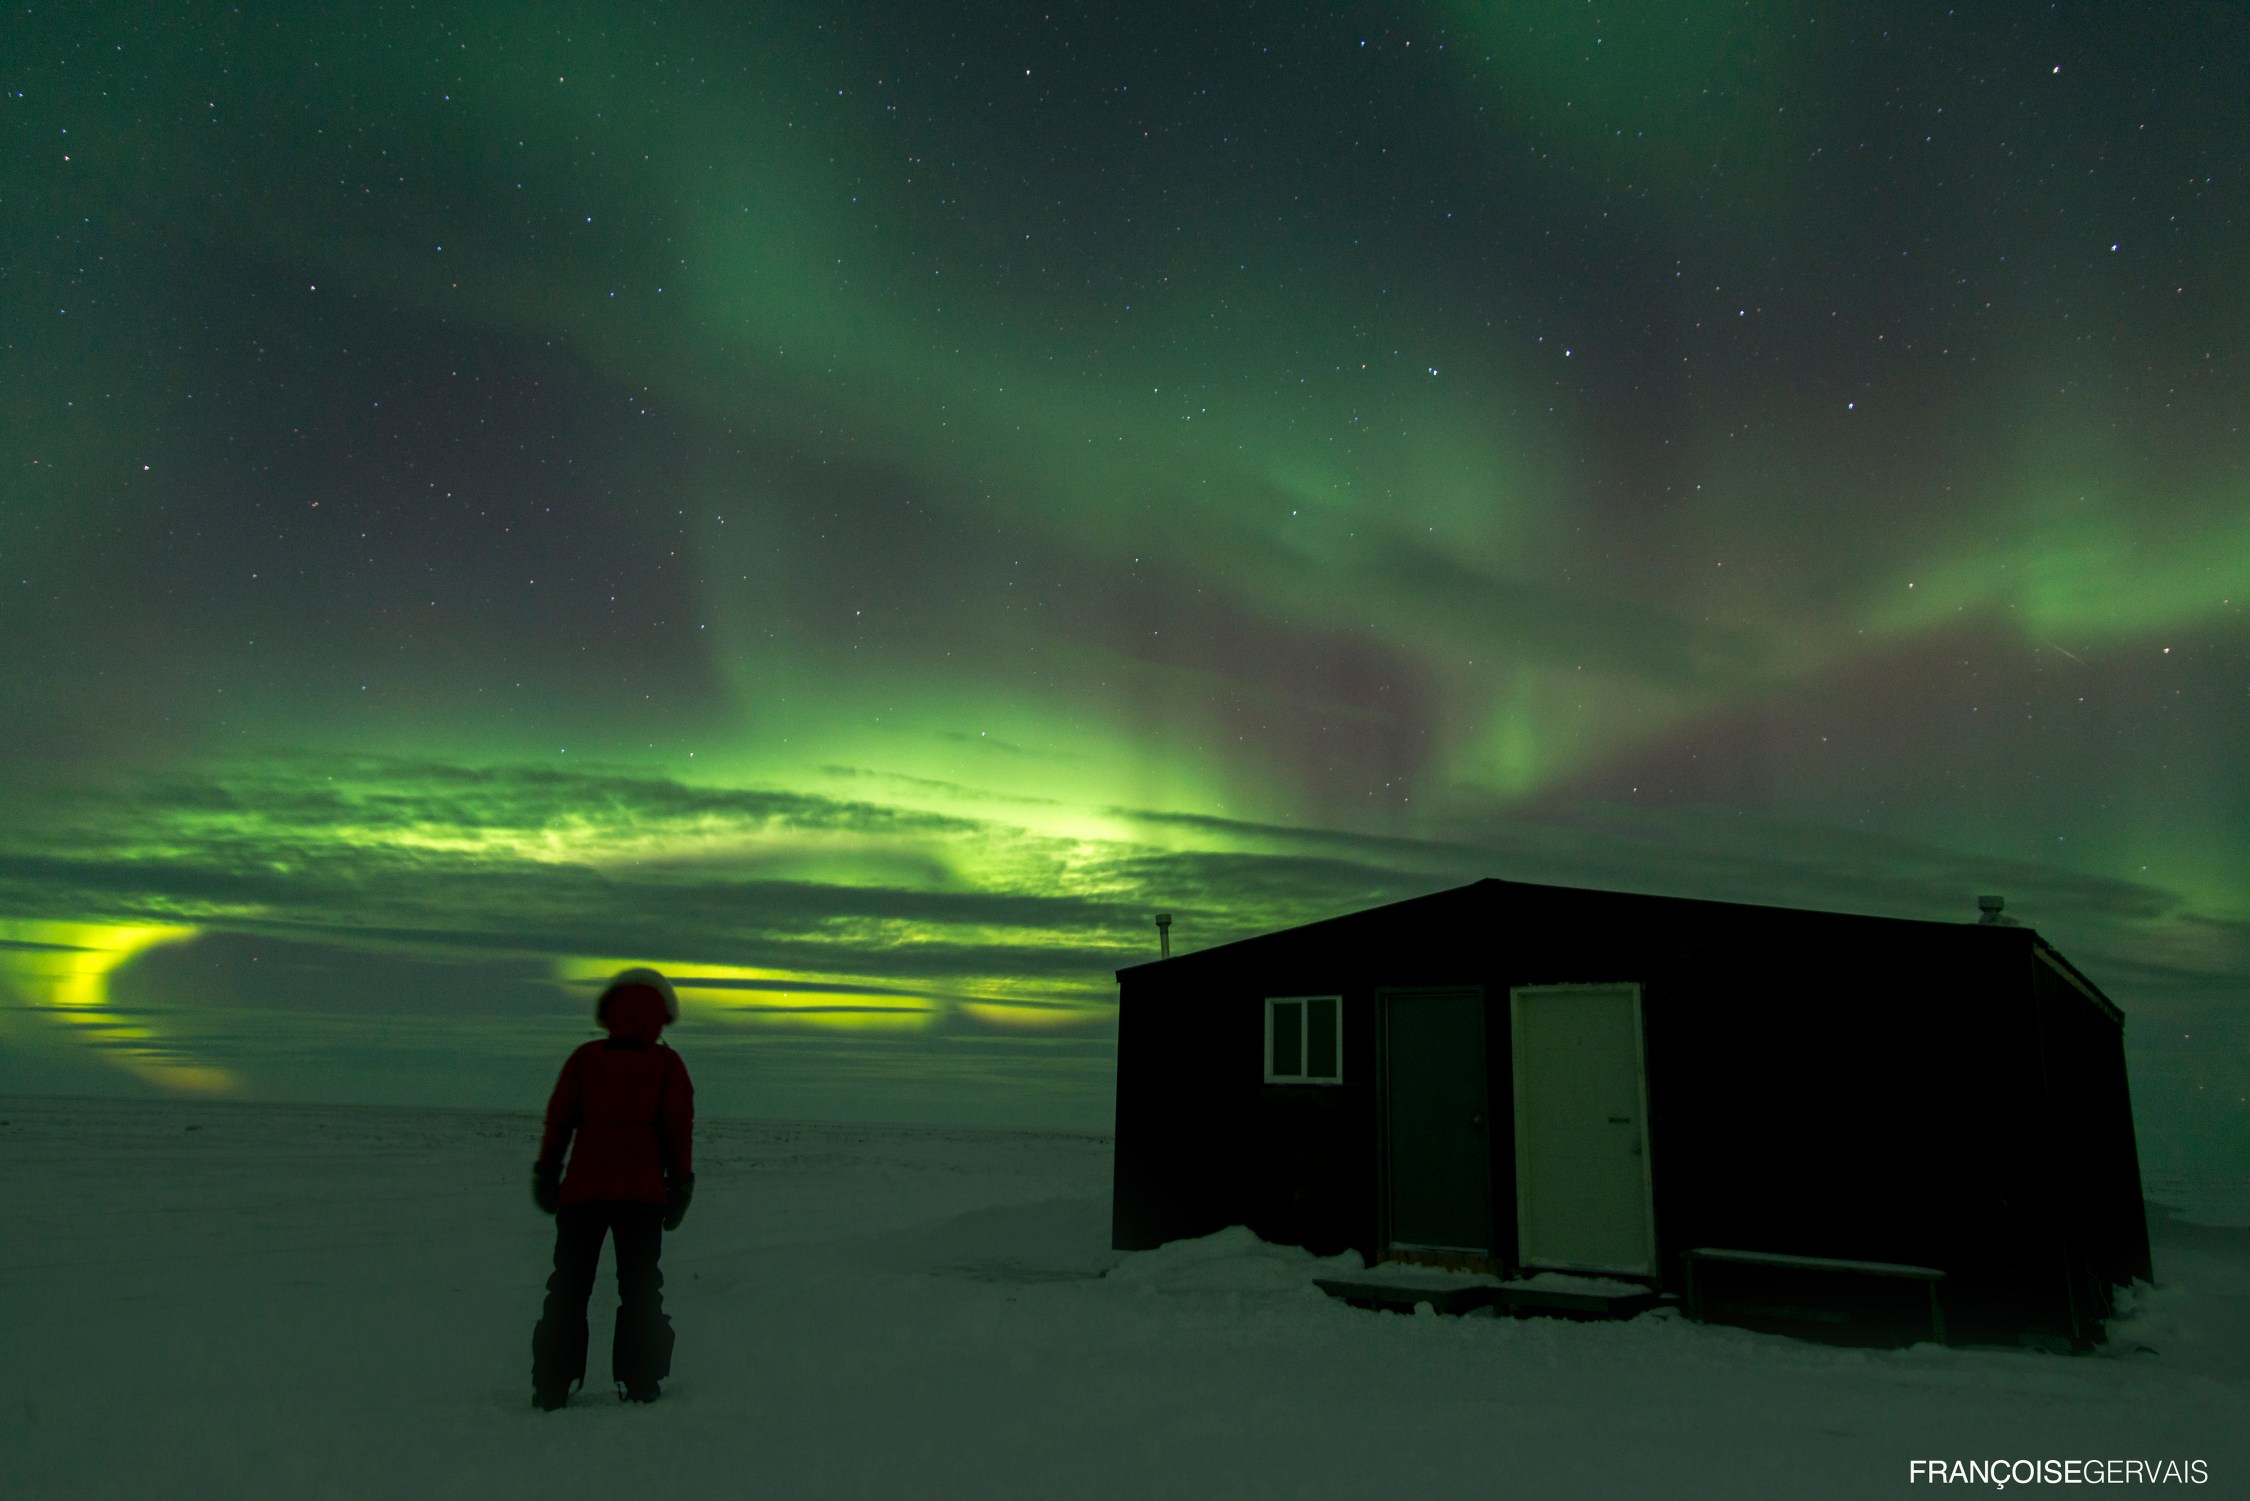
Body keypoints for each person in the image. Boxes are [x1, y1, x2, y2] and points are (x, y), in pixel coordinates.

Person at [529, 966, 696, 1410]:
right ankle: (641, 1382)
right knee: (640, 1290)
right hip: (642, 1199)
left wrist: (547, 1171)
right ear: (661, 1015)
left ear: (610, 1012)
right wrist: (680, 1184)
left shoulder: (585, 1059)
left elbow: (559, 1120)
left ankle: (551, 1385)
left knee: (568, 1289)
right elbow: (678, 1129)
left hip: (582, 1195)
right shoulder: (667, 1064)